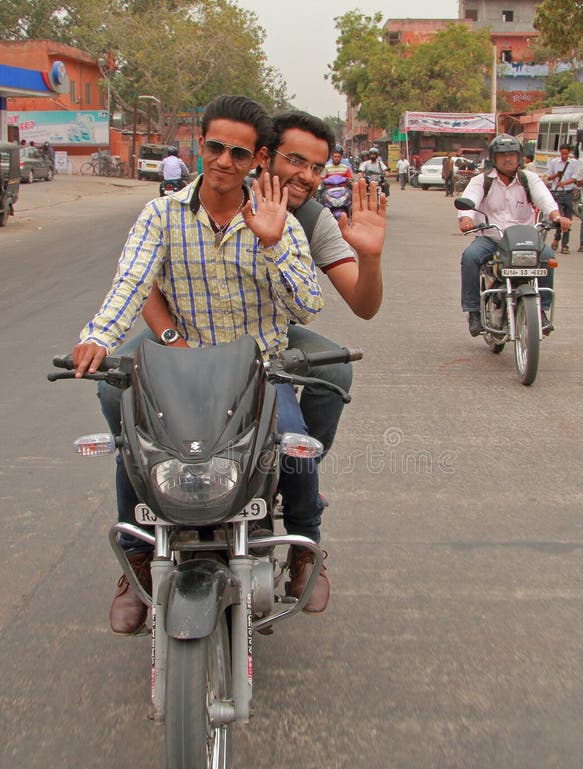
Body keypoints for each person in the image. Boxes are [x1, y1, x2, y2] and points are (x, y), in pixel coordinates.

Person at [97, 105, 387, 629]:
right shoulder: (163, 212)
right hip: (181, 346)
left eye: (316, 168)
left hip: (260, 353)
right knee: (127, 419)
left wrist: (283, 242)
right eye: (215, 149)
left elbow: (318, 307)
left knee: (299, 434)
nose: (305, 177)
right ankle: (136, 554)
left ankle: (302, 537)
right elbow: (137, 281)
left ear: (251, 157)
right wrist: (114, 337)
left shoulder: (304, 220)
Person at [457, 133, 570, 336]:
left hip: (523, 239)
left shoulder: (529, 179)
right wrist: (466, 218)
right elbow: (469, 200)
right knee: (470, 257)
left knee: (547, 258)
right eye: (502, 155)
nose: (507, 159)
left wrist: (557, 216)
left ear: (519, 157)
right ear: (494, 158)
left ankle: (542, 311)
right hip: (491, 238)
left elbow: (545, 200)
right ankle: (473, 311)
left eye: (512, 154)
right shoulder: (481, 181)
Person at [546, 143, 580, 254]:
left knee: (568, 220)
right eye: (562, 153)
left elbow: (574, 178)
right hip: (558, 194)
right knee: (560, 218)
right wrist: (556, 175)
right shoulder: (554, 162)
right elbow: (549, 177)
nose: (564, 156)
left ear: (569, 153)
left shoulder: (573, 163)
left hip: (568, 193)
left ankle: (565, 245)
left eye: (566, 154)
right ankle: (557, 237)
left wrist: (564, 182)